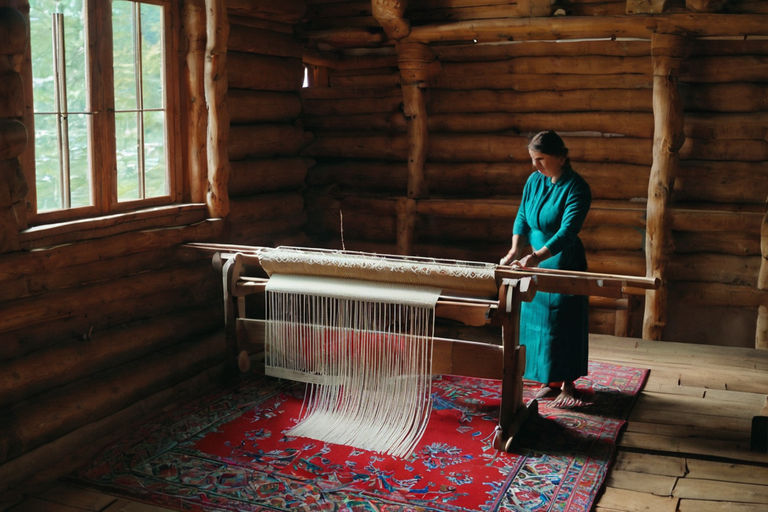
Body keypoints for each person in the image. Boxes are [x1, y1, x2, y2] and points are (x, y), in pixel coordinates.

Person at [500, 130, 592, 408]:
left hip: (562, 260)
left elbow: (567, 232)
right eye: (532, 159)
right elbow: (522, 215)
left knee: (562, 322)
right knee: (537, 320)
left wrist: (537, 257)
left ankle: (567, 383)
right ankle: (547, 381)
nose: (535, 166)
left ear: (561, 157)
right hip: (533, 260)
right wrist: (516, 249)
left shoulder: (577, 188)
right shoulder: (534, 181)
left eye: (540, 159)